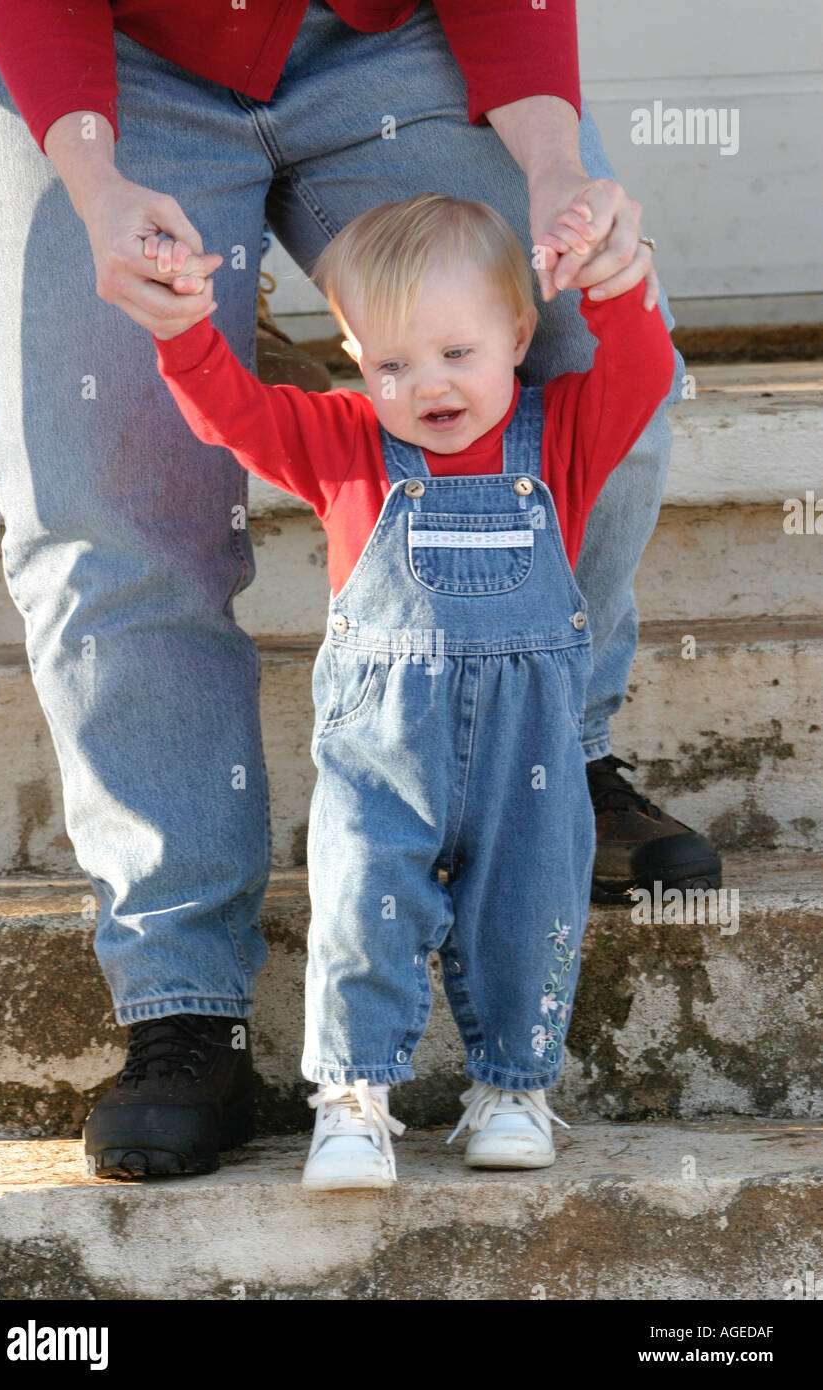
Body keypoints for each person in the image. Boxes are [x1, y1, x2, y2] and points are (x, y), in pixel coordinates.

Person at [0, 0, 719, 1179]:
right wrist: (98, 186)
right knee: (106, 491)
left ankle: (548, 749)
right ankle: (182, 1001)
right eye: (393, 371)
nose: (430, 383)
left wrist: (562, 171)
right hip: (91, 55)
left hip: (382, 34)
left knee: (577, 336)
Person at [146, 192, 676, 1187]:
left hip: (530, 755)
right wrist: (184, 333)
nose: (425, 384)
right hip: (382, 753)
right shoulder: (347, 443)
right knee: (361, 904)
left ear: (518, 335)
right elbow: (237, 413)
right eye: (390, 363)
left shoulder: (556, 436)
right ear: (353, 357)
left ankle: (513, 1088)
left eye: (455, 354)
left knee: (527, 909)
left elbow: (644, 370)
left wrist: (615, 282)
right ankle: (351, 1100)